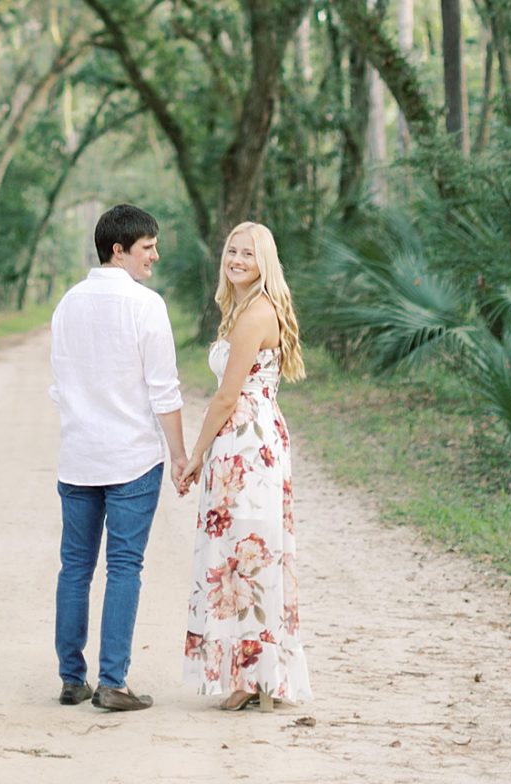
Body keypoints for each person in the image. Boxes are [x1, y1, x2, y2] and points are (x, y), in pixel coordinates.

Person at [49, 202, 187, 712]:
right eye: (147, 247)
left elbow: (60, 385)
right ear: (118, 250)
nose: (154, 256)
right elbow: (164, 392)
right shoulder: (145, 306)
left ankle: (71, 678)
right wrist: (178, 456)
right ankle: (112, 682)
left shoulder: (67, 303)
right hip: (131, 458)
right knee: (124, 566)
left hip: (79, 456)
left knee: (75, 567)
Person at [178, 221, 311, 712]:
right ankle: (248, 672)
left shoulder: (255, 313)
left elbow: (226, 396)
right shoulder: (244, 308)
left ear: (264, 264)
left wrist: (195, 454)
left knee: (247, 555)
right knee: (242, 552)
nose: (236, 260)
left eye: (247, 255)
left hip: (247, 445)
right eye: (231, 251)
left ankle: (254, 674)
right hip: (248, 440)